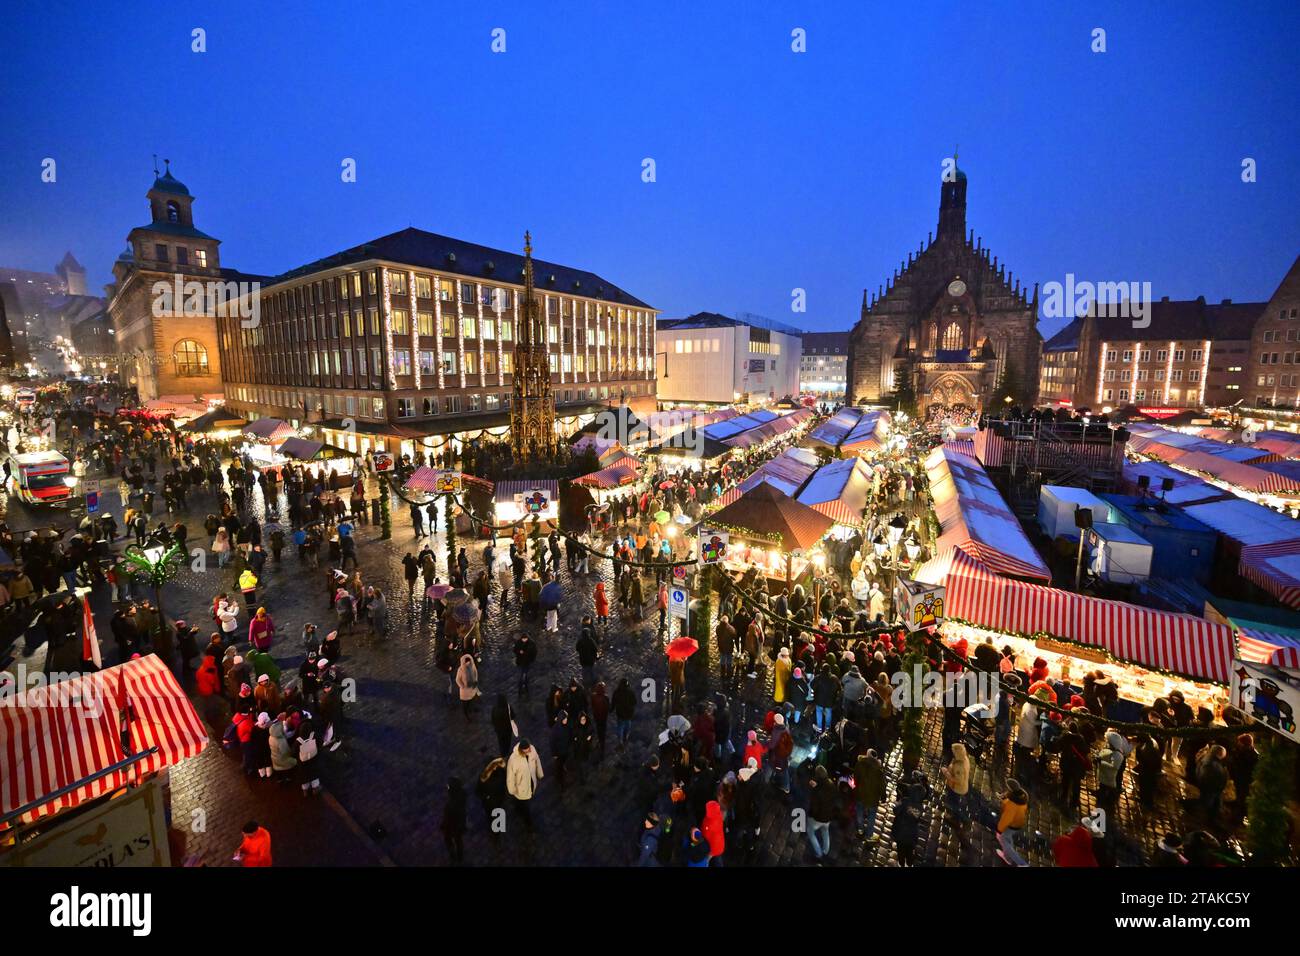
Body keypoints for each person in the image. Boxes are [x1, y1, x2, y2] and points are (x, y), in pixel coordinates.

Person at [506, 739, 543, 831]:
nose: (529, 750)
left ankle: (517, 807)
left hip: (530, 783)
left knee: (522, 802)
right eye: (527, 749)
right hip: (521, 788)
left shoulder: (532, 750)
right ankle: (529, 824)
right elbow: (510, 777)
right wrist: (512, 790)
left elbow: (537, 761)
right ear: (522, 750)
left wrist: (540, 773)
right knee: (525, 807)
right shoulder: (513, 759)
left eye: (529, 748)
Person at [995, 781, 1030, 866]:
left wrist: (999, 830)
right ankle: (1007, 858)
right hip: (1018, 823)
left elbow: (1006, 819)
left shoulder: (1012, 804)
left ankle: (1022, 863)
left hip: (1012, 825)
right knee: (1008, 839)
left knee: (1004, 841)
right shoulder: (1021, 798)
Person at [853, 749, 885, 842]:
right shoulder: (879, 771)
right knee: (871, 816)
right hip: (873, 798)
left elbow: (856, 778)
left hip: (860, 794)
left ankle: (860, 830)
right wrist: (883, 796)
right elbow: (882, 786)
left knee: (859, 812)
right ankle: (869, 835)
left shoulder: (859, 764)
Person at [807, 765, 837, 863]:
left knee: (810, 832)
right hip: (828, 816)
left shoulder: (818, 791)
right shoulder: (831, 784)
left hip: (819, 818)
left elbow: (815, 805)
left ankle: (819, 853)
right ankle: (825, 850)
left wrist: (811, 815)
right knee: (825, 832)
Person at [441, 777, 467, 864]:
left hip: (452, 825)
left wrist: (444, 825)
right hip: (459, 823)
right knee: (458, 839)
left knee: (449, 839)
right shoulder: (462, 797)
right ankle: (460, 857)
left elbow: (447, 817)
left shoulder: (450, 805)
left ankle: (454, 856)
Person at [612, 676, 636, 750]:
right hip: (629, 714)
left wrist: (611, 710)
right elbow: (634, 702)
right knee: (627, 728)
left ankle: (620, 742)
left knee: (620, 728)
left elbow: (613, 702)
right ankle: (625, 739)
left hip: (620, 714)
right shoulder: (631, 692)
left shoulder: (616, 692)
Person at [490, 693, 516, 759]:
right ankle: (506, 754)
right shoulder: (508, 708)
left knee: (501, 743)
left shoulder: (494, 708)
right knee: (507, 743)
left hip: (499, 731)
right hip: (507, 730)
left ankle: (503, 754)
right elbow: (513, 716)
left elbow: (492, 719)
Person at [455, 654, 479, 721]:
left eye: (469, 662)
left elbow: (475, 673)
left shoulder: (472, 666)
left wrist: (476, 680)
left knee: (472, 700)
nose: (468, 663)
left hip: (472, 688)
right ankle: (466, 715)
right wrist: (462, 686)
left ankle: (471, 709)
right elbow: (457, 679)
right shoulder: (461, 669)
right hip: (465, 690)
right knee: (465, 703)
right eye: (467, 662)